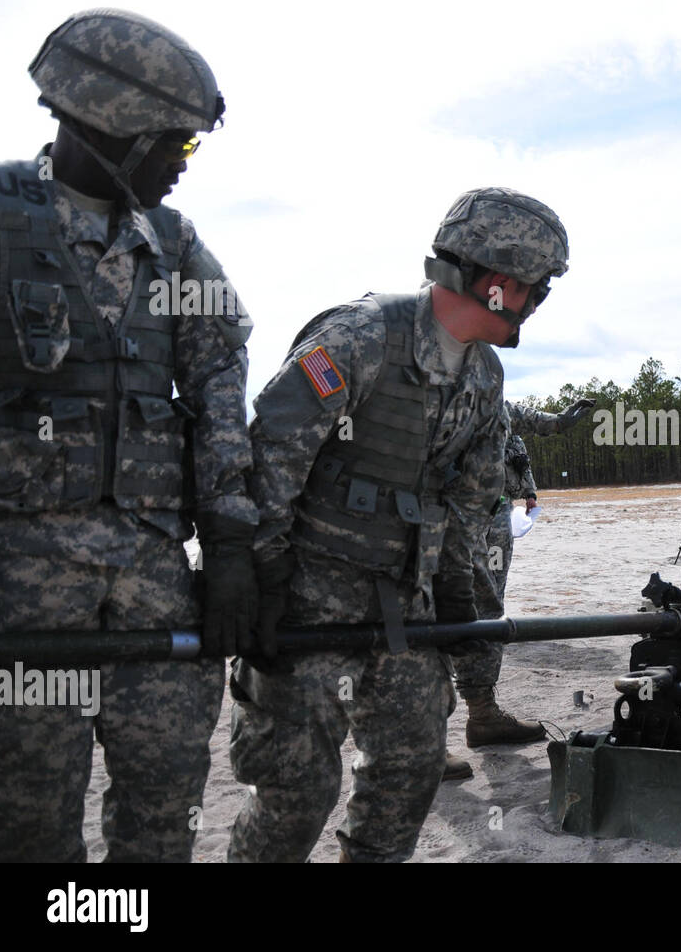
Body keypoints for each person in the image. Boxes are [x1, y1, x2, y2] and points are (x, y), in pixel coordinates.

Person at [228, 187, 569, 862]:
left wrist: (460, 609)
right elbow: (270, 456)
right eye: (538, 289)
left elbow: (471, 504)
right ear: (499, 284)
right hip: (306, 607)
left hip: (403, 610)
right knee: (297, 787)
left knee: (410, 768)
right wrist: (258, 581)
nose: (537, 305)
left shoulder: (486, 376)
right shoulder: (360, 336)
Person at [0, 9, 257, 862]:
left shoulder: (176, 249)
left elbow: (221, 375)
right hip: (21, 596)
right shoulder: (3, 221)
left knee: (165, 803)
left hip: (153, 585)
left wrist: (228, 545)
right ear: (114, 124)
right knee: (27, 820)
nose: (182, 166)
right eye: (174, 145)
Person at [444, 396, 593, 779]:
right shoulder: (428, 390)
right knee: (432, 613)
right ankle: (427, 736)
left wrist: (564, 418)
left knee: (488, 610)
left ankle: (482, 714)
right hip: (439, 513)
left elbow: (541, 423)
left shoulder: (490, 398)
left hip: (489, 516)